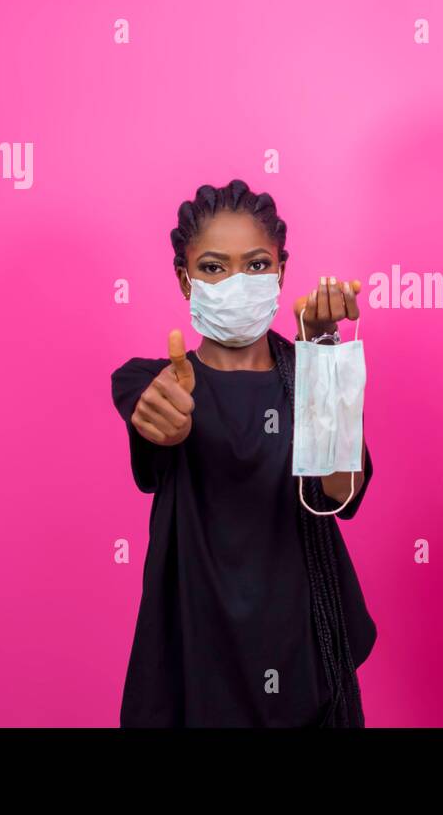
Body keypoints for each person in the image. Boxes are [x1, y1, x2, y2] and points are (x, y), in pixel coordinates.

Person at [111, 178, 375, 727]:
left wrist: (323, 351)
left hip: (304, 663)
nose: (236, 281)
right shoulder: (154, 383)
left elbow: (340, 493)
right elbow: (154, 419)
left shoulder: (308, 373)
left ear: (281, 269)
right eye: (213, 267)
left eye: (256, 265)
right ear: (185, 280)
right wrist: (163, 418)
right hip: (193, 670)